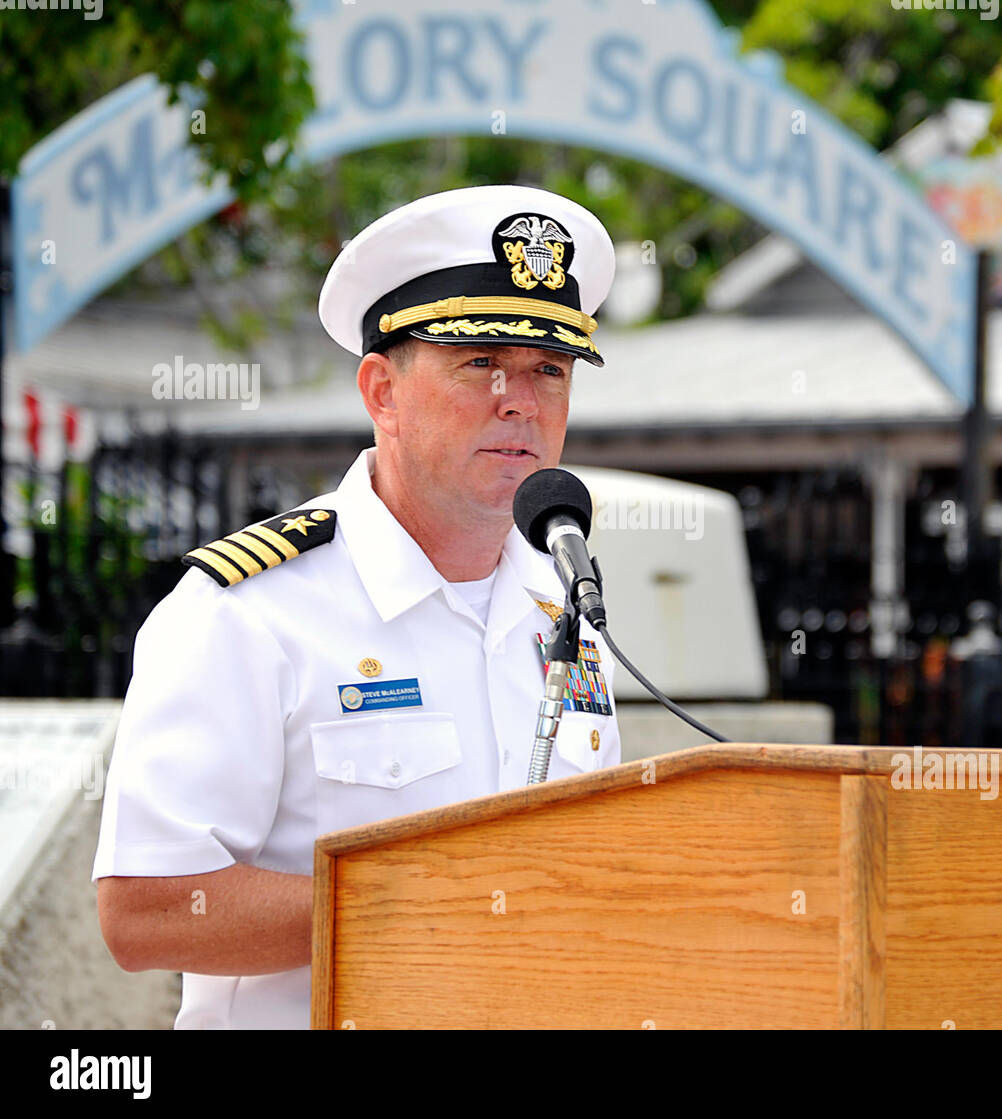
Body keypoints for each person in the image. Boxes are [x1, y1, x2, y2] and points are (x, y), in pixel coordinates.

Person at [92, 184, 622, 1029]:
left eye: (549, 371)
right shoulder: (246, 612)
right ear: (381, 391)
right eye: (481, 361)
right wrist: (419, 904)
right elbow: (145, 910)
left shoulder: (560, 601)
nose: (520, 399)